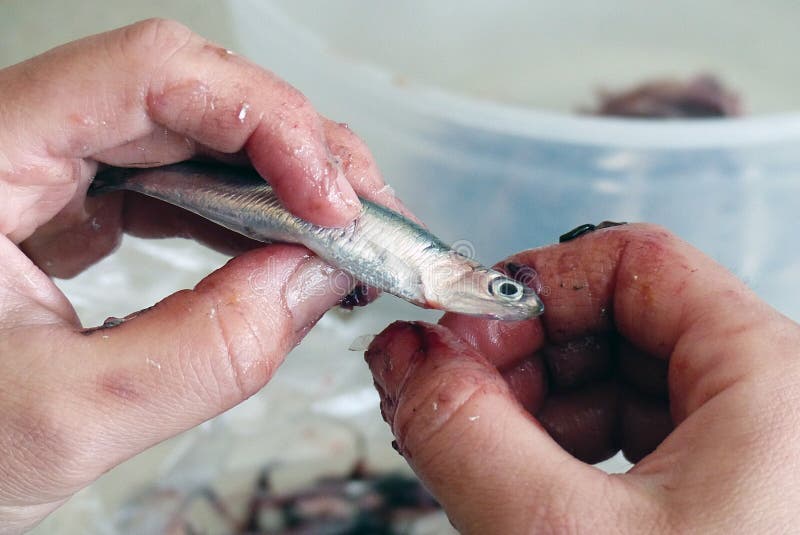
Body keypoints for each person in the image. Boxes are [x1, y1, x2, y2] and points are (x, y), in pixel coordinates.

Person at [0, 19, 797, 534]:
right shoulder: (438, 266)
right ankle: (123, 178)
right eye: (505, 290)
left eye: (506, 296)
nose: (506, 297)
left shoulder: (440, 277)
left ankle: (122, 180)